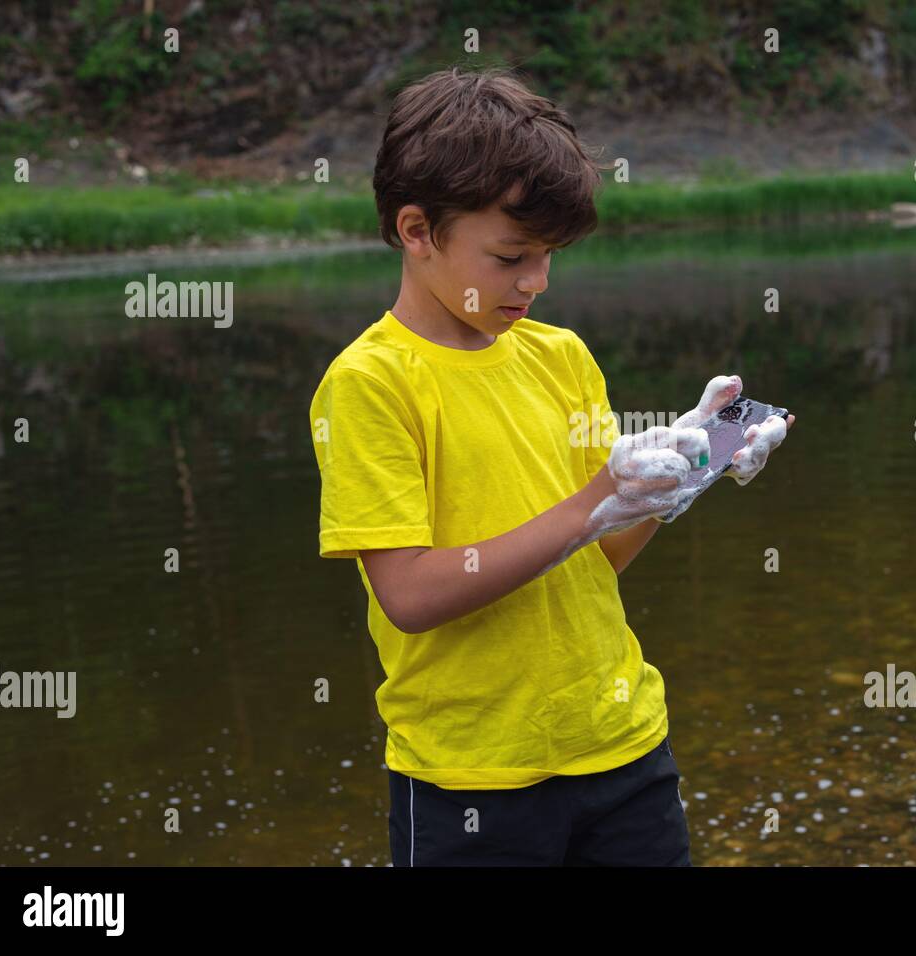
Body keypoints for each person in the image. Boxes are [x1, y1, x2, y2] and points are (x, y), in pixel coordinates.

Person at [309, 66, 793, 866]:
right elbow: (411, 595)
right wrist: (597, 500)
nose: (535, 282)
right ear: (417, 230)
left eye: (547, 257)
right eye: (510, 256)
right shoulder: (370, 383)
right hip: (472, 779)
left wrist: (677, 479)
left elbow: (594, 555)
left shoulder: (560, 356)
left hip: (623, 745)